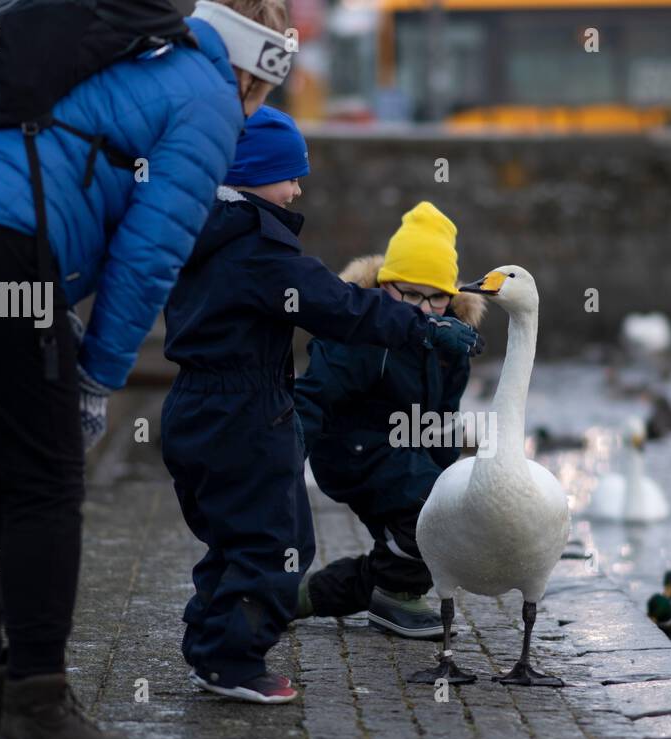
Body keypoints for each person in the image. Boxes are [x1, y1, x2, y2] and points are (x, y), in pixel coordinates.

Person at [0, 0, 291, 739]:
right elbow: (150, 251)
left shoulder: (128, 53)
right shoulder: (210, 95)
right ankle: (38, 710)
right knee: (45, 481)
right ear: (264, 61)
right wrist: (96, 378)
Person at [160, 110, 478, 704]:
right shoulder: (256, 247)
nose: (299, 189)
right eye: (289, 175)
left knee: (232, 538)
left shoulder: (208, 234)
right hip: (245, 412)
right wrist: (420, 330)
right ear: (254, 175)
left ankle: (211, 645)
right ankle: (231, 660)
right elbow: (337, 304)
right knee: (275, 541)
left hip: (199, 407)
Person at [293, 202, 484, 639]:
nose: (423, 309)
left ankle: (306, 597)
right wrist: (282, 461)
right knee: (428, 515)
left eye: (435, 296)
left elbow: (443, 419)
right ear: (384, 285)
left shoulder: (451, 339)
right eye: (409, 293)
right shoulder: (361, 332)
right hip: (351, 450)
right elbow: (313, 396)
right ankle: (392, 597)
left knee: (444, 519)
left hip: (406, 448)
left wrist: (446, 480)